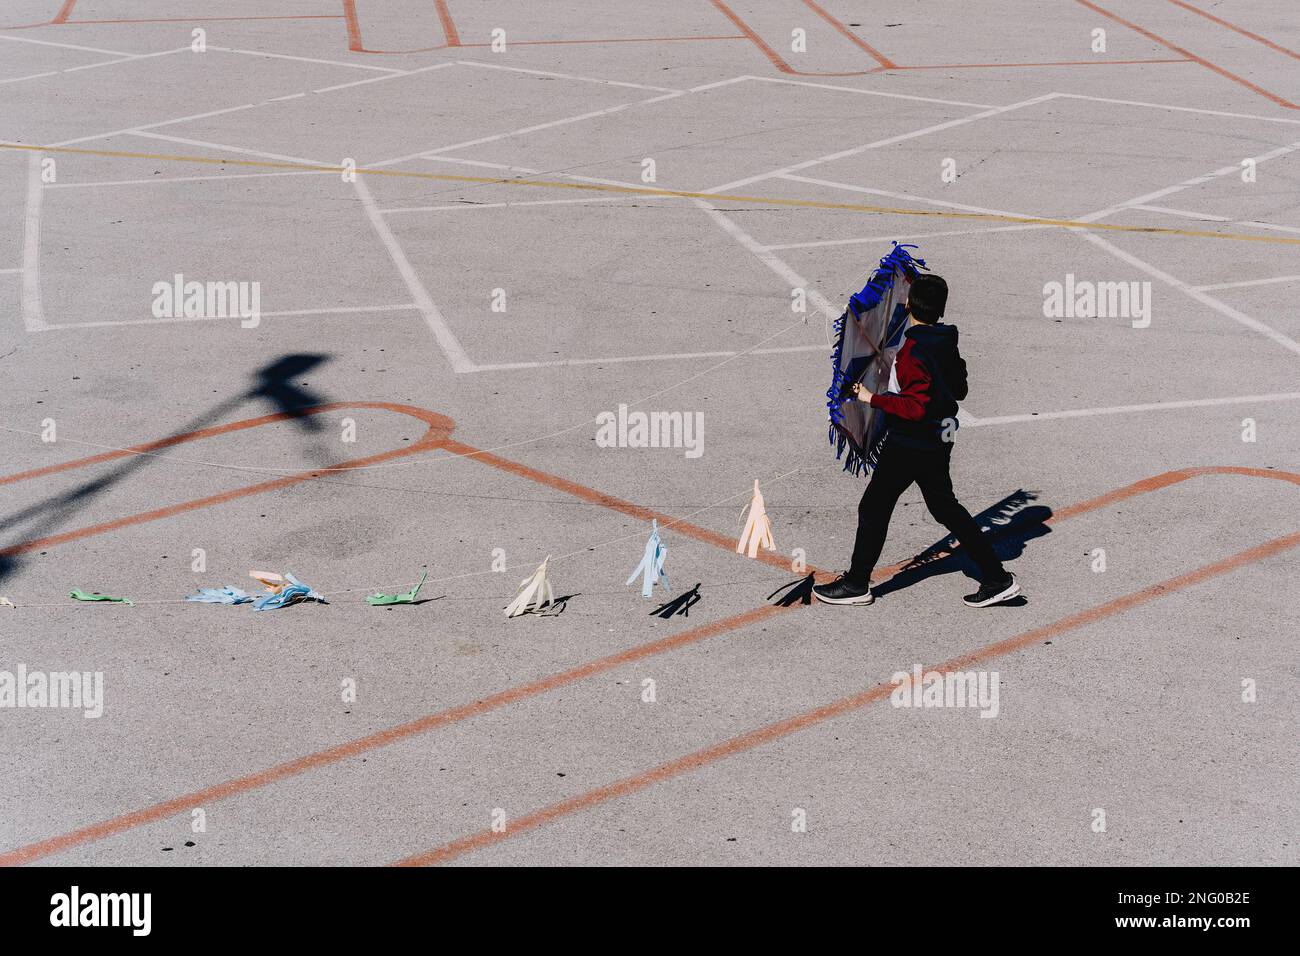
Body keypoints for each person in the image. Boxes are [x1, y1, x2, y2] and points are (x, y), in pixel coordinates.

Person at [813, 273, 1020, 608]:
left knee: (874, 506)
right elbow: (960, 390)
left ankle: (856, 584)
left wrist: (871, 397)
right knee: (944, 507)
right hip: (941, 437)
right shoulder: (946, 340)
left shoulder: (910, 353)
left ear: (908, 304)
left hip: (912, 443)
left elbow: (914, 407)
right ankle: (997, 579)